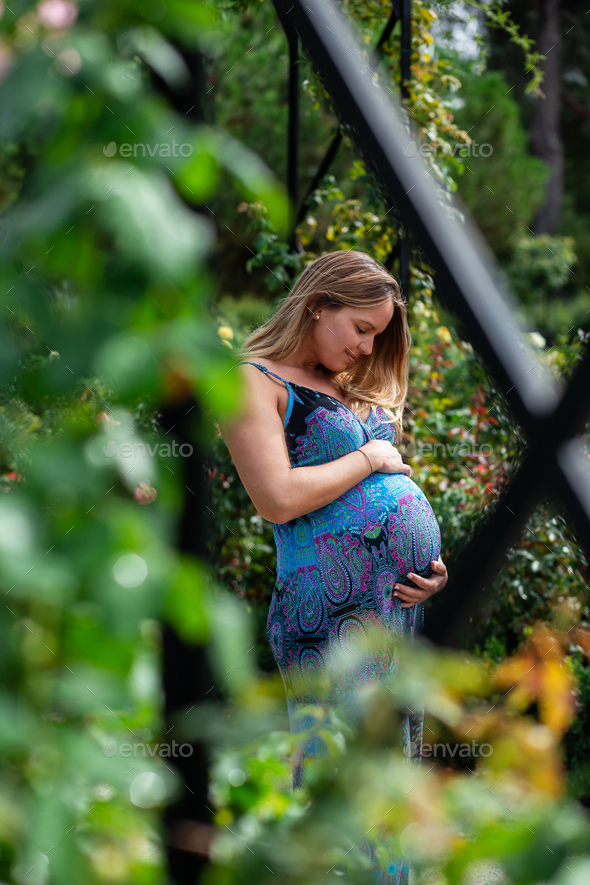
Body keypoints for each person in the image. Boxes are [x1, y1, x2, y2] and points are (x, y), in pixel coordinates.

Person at [219, 249, 448, 883]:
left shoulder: (345, 386)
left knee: (391, 776)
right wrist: (371, 459)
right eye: (361, 328)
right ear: (318, 305)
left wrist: (430, 569)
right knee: (341, 783)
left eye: (377, 335)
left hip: (390, 610)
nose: (367, 347)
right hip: (326, 613)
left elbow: (379, 497)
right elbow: (276, 498)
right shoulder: (254, 380)